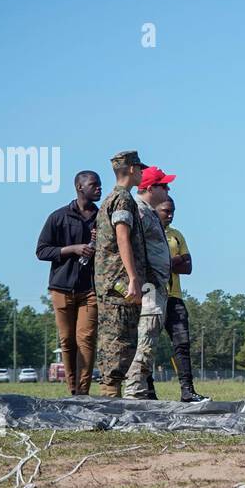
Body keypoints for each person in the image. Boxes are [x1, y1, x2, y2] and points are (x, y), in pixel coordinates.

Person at [36, 170, 100, 395]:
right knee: (67, 341)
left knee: (87, 338)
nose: (99, 188)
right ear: (79, 187)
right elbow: (41, 250)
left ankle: (83, 392)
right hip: (61, 288)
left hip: (91, 289)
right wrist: (72, 249)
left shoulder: (101, 218)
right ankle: (72, 388)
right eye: (94, 184)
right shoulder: (58, 217)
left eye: (99, 184)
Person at [94, 150, 148, 398]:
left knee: (113, 337)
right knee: (119, 339)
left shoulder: (109, 199)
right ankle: (110, 396)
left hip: (109, 280)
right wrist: (133, 277)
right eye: (139, 168)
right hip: (119, 282)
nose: (142, 173)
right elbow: (122, 236)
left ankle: (110, 391)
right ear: (130, 170)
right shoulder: (123, 199)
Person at [124, 166, 174, 399]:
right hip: (149, 287)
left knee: (150, 339)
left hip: (157, 286)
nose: (168, 189)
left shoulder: (149, 211)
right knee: (145, 339)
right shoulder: (140, 212)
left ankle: (140, 387)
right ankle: (134, 390)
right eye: (163, 185)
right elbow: (132, 248)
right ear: (151, 187)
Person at [155, 196, 208, 403]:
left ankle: (188, 389)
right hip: (152, 296)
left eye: (172, 212)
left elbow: (188, 267)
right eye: (166, 211)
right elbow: (152, 265)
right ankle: (147, 389)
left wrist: (169, 262)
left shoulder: (176, 235)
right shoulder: (147, 233)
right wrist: (174, 261)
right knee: (149, 344)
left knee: (182, 343)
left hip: (175, 297)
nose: (170, 215)